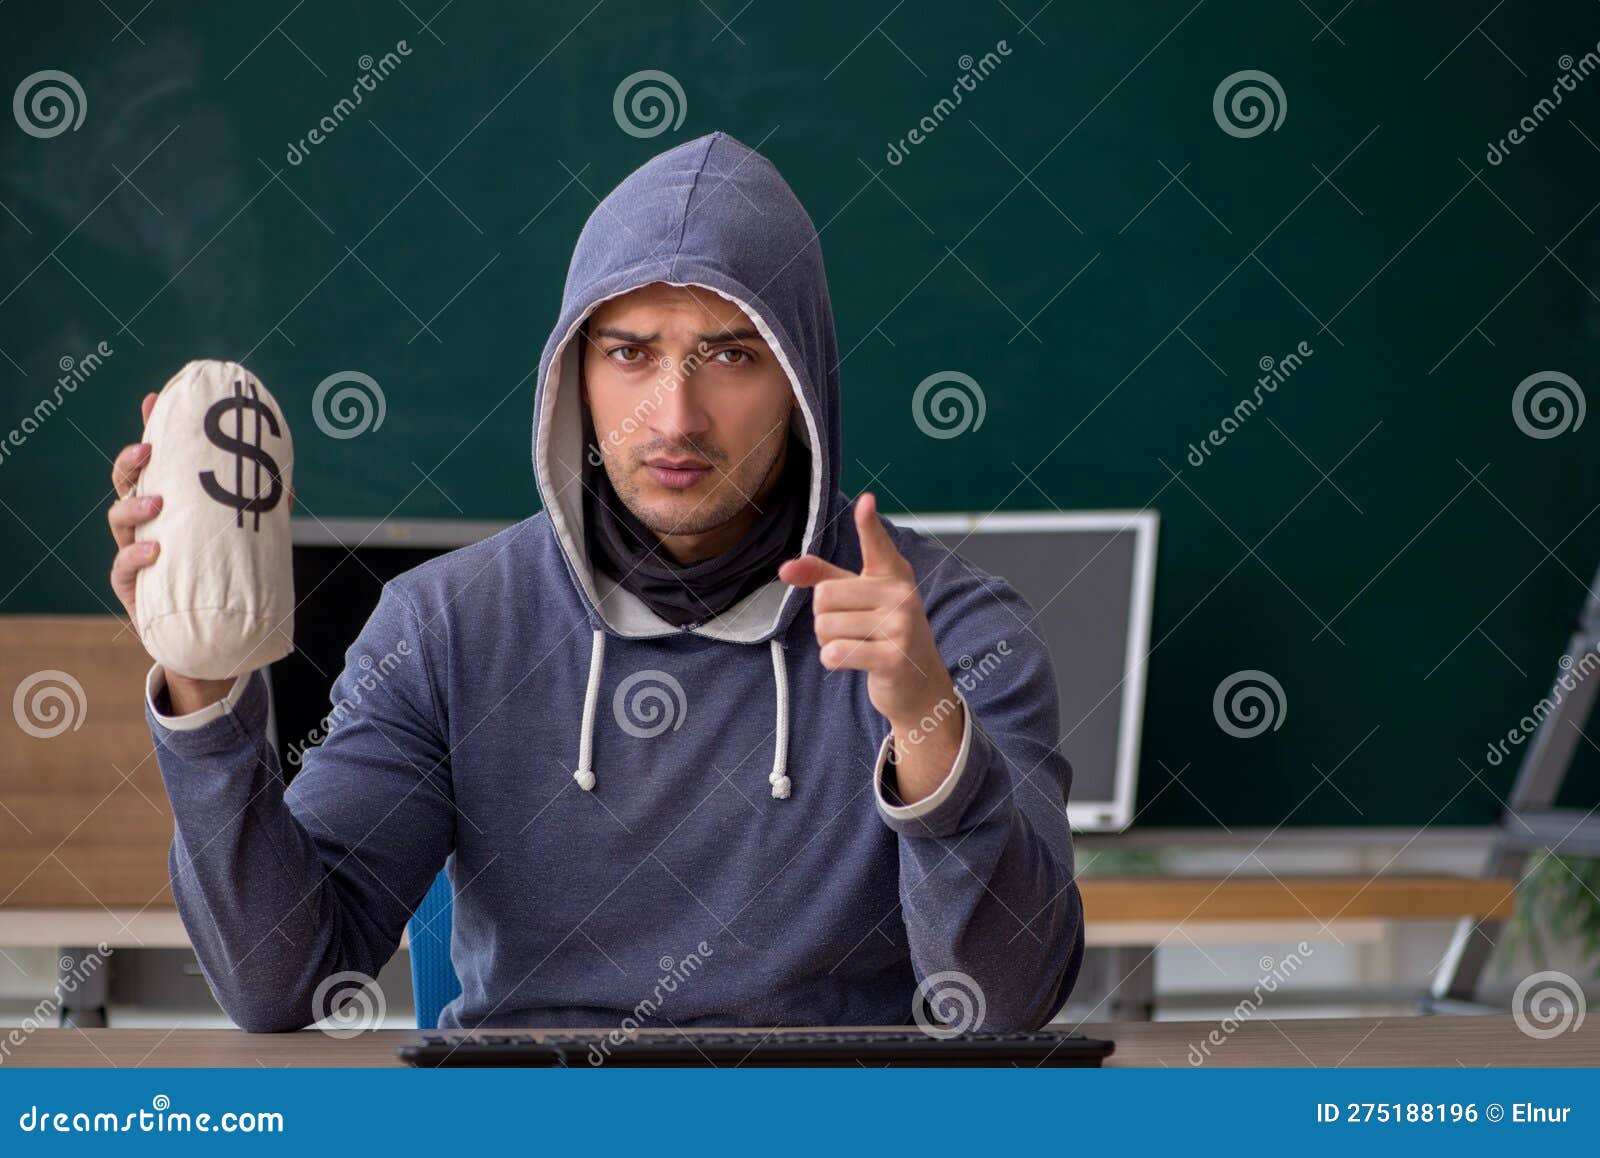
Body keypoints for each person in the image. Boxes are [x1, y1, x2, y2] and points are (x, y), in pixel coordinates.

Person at [105, 131, 1085, 1032]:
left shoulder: (947, 630)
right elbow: (285, 981)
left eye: (730, 355)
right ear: (573, 374)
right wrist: (200, 677)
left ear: (801, 380)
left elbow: (1007, 1006)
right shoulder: (446, 626)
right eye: (629, 354)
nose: (674, 418)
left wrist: (927, 725)